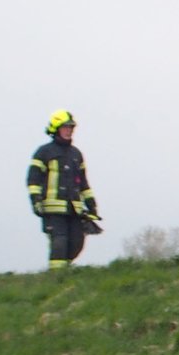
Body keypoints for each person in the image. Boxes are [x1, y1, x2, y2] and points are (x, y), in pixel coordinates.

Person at [27, 110, 102, 270]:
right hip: (52, 208)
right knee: (59, 241)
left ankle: (63, 269)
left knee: (77, 242)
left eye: (71, 128)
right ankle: (56, 276)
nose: (69, 130)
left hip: (74, 208)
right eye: (65, 127)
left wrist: (91, 205)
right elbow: (33, 180)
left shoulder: (76, 154)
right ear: (56, 129)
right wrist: (36, 201)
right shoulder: (44, 152)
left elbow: (83, 183)